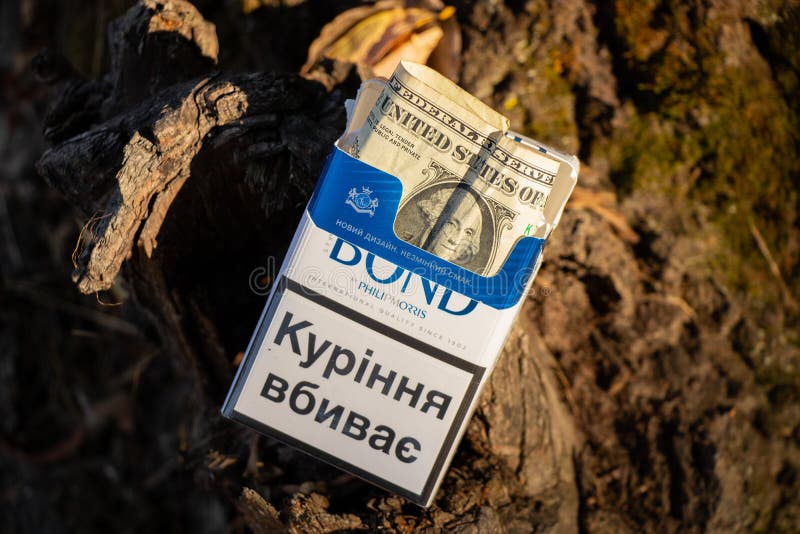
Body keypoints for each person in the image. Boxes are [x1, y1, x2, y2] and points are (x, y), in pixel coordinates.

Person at [395, 185, 485, 269]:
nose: (455, 240)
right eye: (451, 224)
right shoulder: (397, 249)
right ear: (432, 217)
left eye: (468, 233)